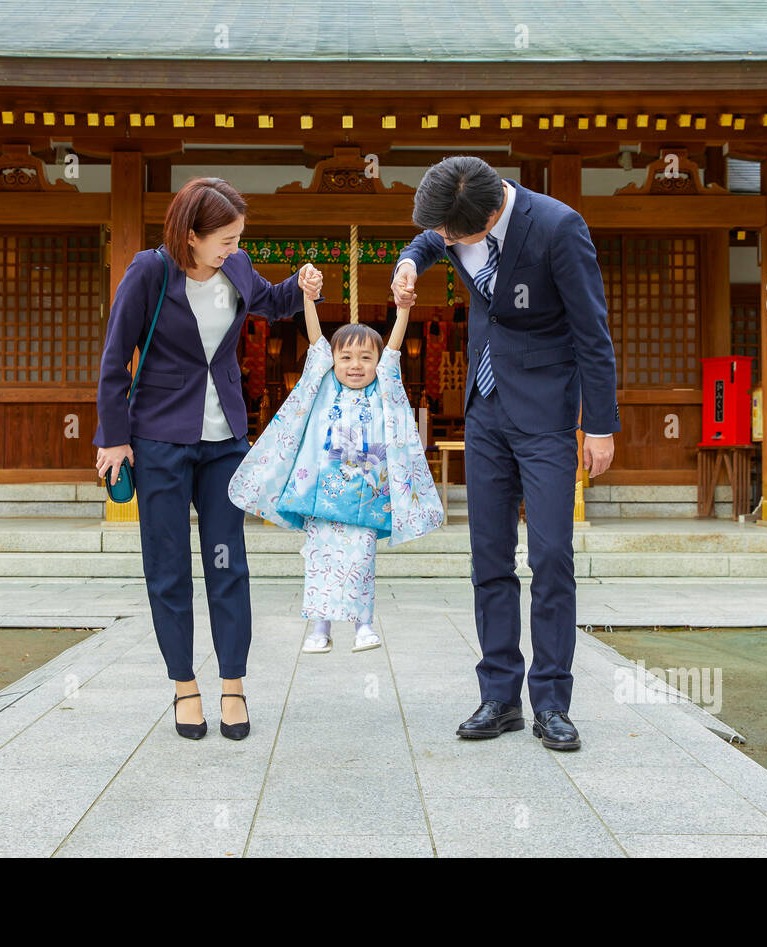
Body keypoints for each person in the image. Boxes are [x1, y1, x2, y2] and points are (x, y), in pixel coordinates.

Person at [390, 156, 619, 751]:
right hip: (484, 409)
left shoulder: (558, 227)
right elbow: (428, 236)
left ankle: (551, 702)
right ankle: (499, 696)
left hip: (545, 413)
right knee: (488, 559)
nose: (444, 241)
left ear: (491, 215)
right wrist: (411, 261)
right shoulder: (451, 220)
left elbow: (593, 332)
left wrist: (598, 425)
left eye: (451, 236)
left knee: (550, 558)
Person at [93, 176, 324, 741]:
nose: (234, 248)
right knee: (168, 569)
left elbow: (271, 303)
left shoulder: (237, 268)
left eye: (239, 237)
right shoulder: (149, 272)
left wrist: (303, 284)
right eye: (225, 238)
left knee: (227, 565)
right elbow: (114, 356)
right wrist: (113, 437)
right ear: (191, 235)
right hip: (159, 440)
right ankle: (184, 688)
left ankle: (233, 685)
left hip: (225, 445)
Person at [228, 280, 443, 654]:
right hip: (321, 497)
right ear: (334, 361)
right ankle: (319, 627)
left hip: (365, 498)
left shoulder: (384, 388)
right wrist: (308, 300)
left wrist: (403, 307)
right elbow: (315, 341)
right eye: (345, 357)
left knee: (360, 560)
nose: (355, 365)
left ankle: (363, 626)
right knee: (320, 560)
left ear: (378, 363)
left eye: (365, 358)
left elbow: (394, 346)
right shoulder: (325, 384)